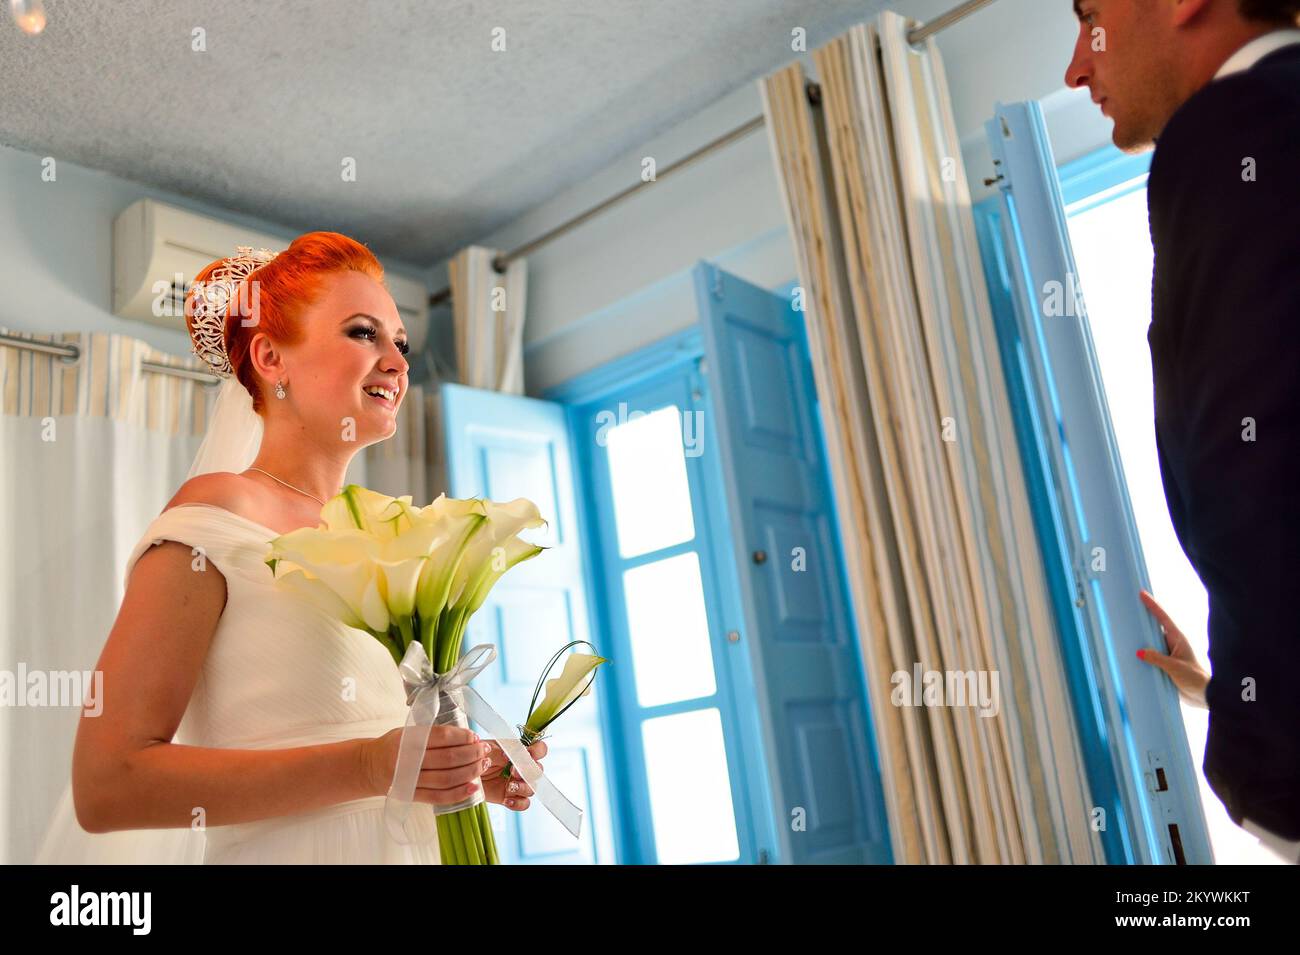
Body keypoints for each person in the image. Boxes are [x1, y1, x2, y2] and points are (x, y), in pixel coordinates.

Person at [40, 232, 545, 864]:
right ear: (272, 358)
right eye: (364, 334)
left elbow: (377, 759)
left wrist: (453, 773)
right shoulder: (215, 518)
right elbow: (107, 787)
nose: (397, 361)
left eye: (401, 342)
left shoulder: (384, 536)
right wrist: (368, 766)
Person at [1063, 0, 1300, 858]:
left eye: (1090, 18)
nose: (1076, 67)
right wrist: (1223, 682)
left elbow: (1250, 475)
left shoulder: (1237, 126)